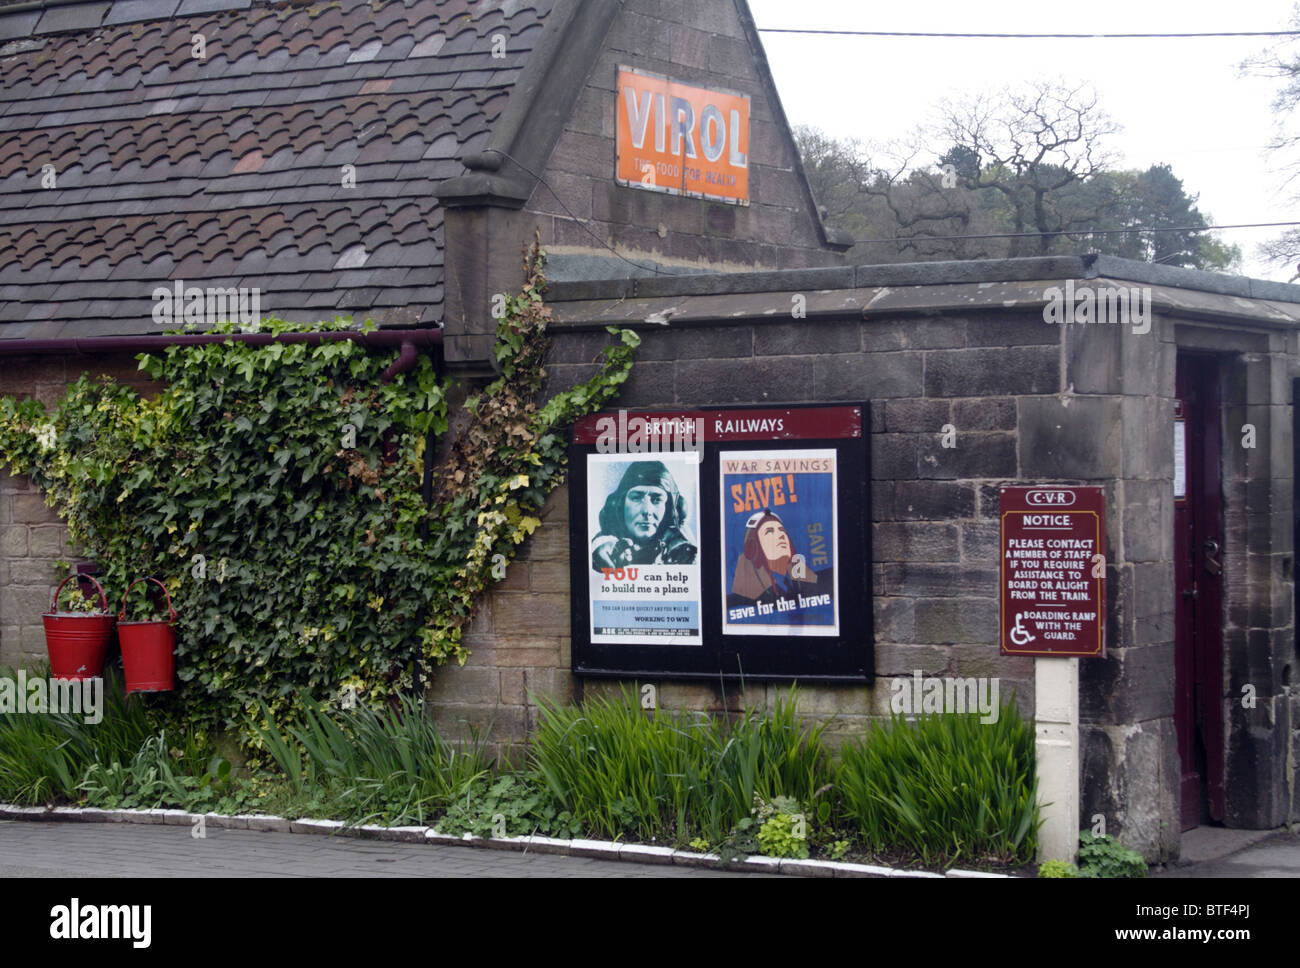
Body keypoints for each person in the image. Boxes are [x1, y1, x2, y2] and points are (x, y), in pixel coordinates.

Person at [591, 461, 697, 571]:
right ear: (619, 505)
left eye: (657, 500)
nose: (647, 510)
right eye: (636, 498)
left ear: (670, 510)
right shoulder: (603, 547)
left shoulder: (685, 552)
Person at [727, 509, 832, 618]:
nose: (781, 535)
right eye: (770, 531)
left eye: (781, 530)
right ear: (753, 546)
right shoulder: (738, 602)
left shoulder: (820, 580)